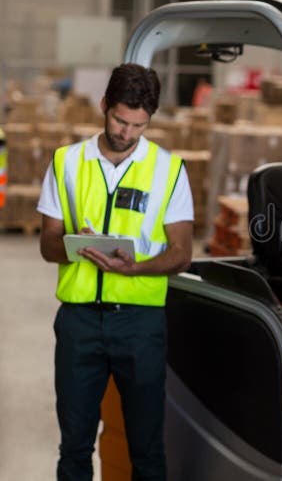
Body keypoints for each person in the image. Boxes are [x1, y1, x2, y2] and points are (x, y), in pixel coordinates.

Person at [38, 63, 194, 480]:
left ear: (150, 120)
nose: (126, 133)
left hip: (140, 326)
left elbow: (182, 254)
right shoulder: (66, 162)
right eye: (120, 120)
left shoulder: (170, 171)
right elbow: (47, 243)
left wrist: (136, 267)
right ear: (105, 105)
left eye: (138, 125)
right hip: (79, 322)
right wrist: (76, 246)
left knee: (146, 448)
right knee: (74, 447)